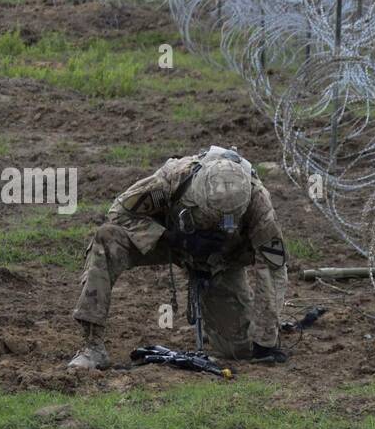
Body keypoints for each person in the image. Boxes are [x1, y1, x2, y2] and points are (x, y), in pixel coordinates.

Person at [68, 146, 288, 369]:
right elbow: (120, 212)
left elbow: (272, 267)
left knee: (237, 350)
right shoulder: (174, 179)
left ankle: (226, 317)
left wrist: (266, 339)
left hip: (219, 262)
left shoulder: (259, 202)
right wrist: (174, 238)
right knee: (108, 238)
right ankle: (92, 347)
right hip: (169, 243)